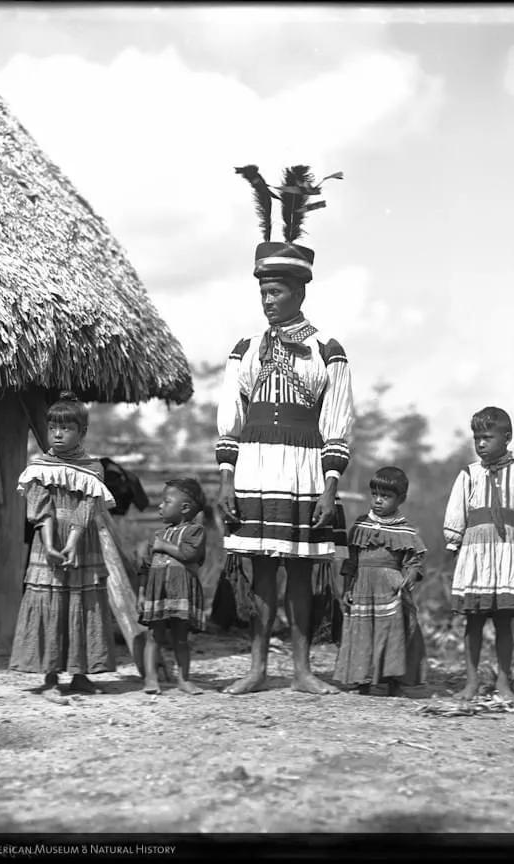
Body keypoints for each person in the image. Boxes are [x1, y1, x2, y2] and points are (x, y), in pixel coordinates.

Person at [217, 164, 353, 695]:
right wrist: (226, 479)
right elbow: (229, 416)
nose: (267, 300)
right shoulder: (245, 349)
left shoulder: (328, 351)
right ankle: (256, 669)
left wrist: (331, 486)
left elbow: (337, 422)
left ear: (298, 292)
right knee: (259, 569)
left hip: (302, 468)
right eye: (263, 293)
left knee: (300, 571)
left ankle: (301, 671)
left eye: (275, 291)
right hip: (253, 465)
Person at [9, 391, 117, 695]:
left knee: (84, 602)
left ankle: (81, 674)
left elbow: (86, 508)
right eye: (53, 427)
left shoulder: (93, 469)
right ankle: (50, 674)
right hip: (47, 543)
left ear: (81, 432)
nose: (57, 433)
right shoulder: (39, 466)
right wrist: (51, 543)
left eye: (66, 428)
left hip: (81, 542)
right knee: (50, 600)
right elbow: (40, 509)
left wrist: (71, 542)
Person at [443, 406, 514, 701]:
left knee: (504, 622)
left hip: (509, 556)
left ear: (507, 437)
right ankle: (472, 683)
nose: (480, 443)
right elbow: (455, 519)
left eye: (487, 437)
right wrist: (457, 562)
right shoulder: (468, 474)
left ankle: (504, 684)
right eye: (476, 437)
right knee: (473, 620)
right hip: (475, 556)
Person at [333, 467, 427, 696]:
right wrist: (347, 588)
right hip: (363, 587)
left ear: (401, 499)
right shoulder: (360, 525)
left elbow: (414, 558)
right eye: (375, 494)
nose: (378, 501)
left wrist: (411, 575)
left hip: (390, 589)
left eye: (386, 496)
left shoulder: (405, 530)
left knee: (393, 633)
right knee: (363, 631)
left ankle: (393, 680)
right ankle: (363, 679)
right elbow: (351, 560)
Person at [137, 478, 207, 696]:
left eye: (166, 502)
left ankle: (184, 679)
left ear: (185, 508)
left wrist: (164, 547)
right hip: (158, 593)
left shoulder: (195, 532)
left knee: (180, 638)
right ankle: (150, 678)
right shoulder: (157, 535)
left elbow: (190, 554)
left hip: (181, 593)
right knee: (154, 636)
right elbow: (145, 567)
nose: (160, 506)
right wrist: (141, 592)